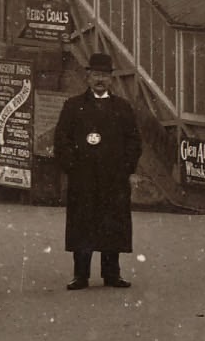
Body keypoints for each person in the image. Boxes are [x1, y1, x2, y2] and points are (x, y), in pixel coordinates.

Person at [55, 51, 142, 290]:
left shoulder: (122, 108)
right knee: (82, 225)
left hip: (113, 180)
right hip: (83, 179)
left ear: (111, 79)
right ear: (88, 78)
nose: (99, 79)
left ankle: (112, 274)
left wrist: (124, 168)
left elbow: (134, 141)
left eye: (104, 75)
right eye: (95, 75)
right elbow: (61, 140)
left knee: (112, 225)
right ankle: (80, 275)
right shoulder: (73, 107)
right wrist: (73, 167)